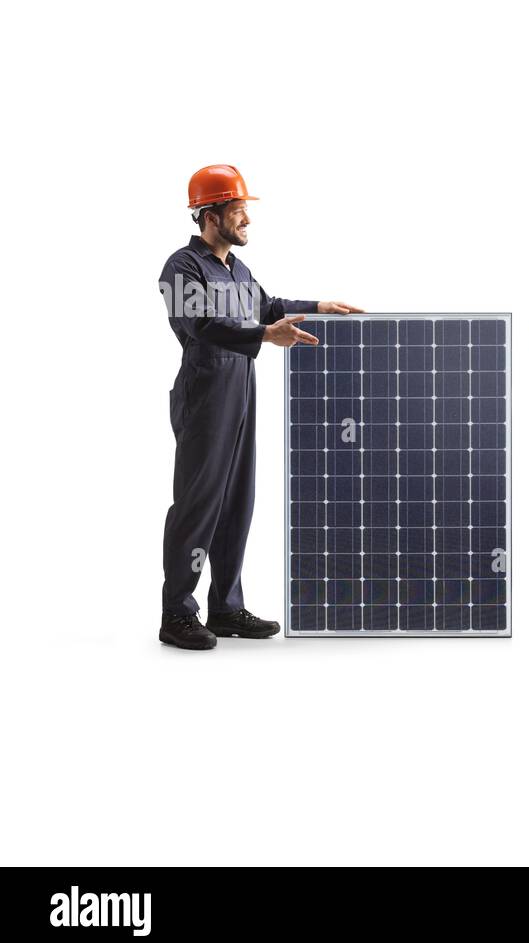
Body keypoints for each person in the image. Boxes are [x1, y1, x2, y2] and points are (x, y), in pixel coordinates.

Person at [158, 164, 363, 650]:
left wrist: (318, 305)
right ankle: (176, 614)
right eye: (237, 210)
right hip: (205, 392)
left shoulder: (238, 269)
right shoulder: (181, 267)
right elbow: (200, 326)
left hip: (241, 391)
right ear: (208, 215)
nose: (246, 218)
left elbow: (266, 306)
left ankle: (226, 608)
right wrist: (265, 337)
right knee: (198, 503)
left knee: (237, 500)